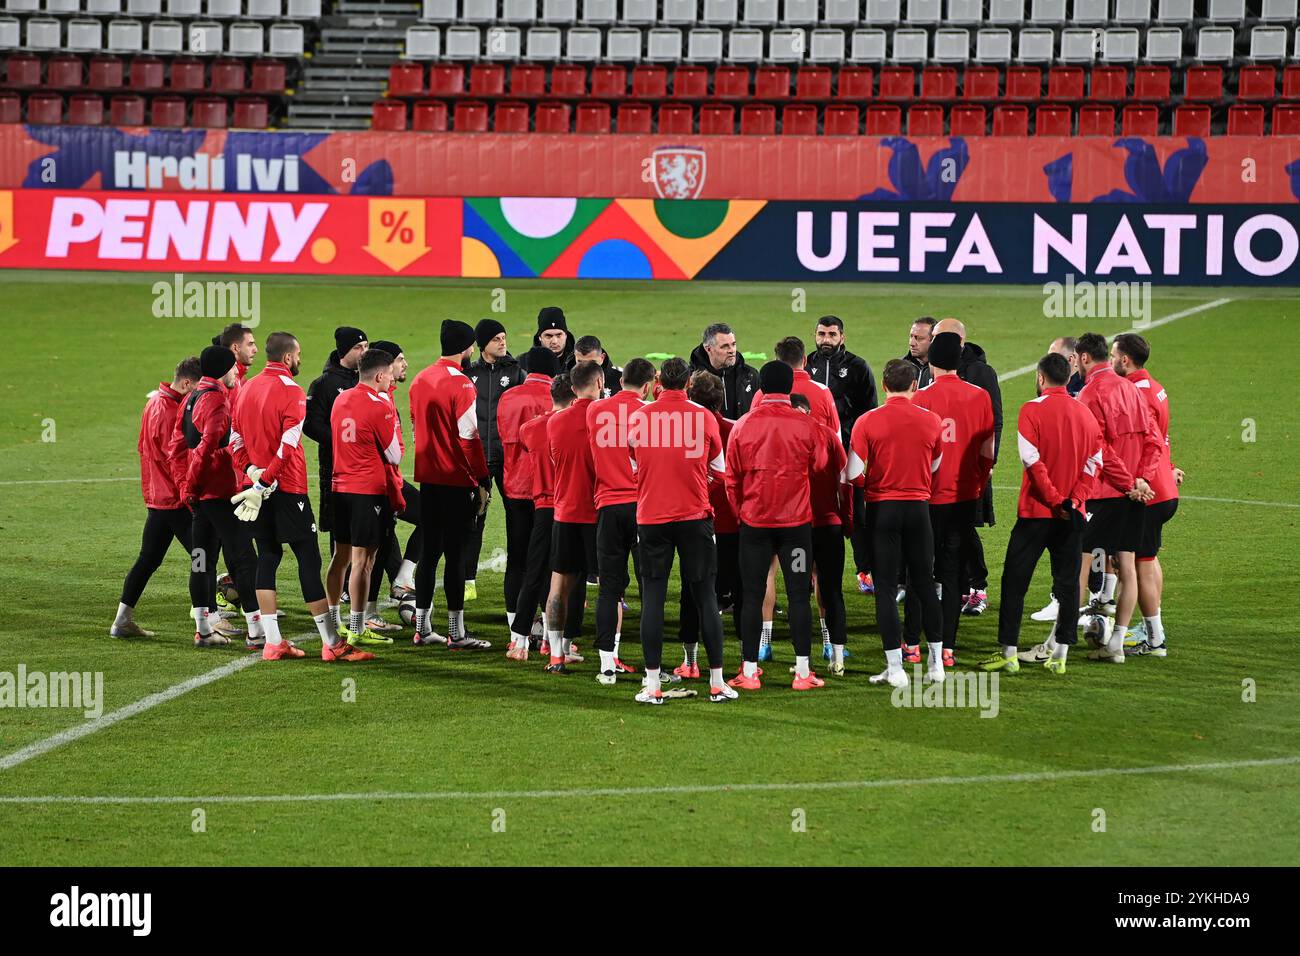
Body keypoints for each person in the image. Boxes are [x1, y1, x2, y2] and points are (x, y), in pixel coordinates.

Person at [232, 332, 362, 661]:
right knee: (309, 559)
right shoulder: (291, 390)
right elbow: (288, 444)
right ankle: (332, 643)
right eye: (299, 354)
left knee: (268, 556)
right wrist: (268, 480)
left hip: (258, 488)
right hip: (288, 488)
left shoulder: (247, 388)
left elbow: (234, 439)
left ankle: (273, 641)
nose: (301, 359)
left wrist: (252, 474)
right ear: (288, 358)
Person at [980, 353, 1105, 676]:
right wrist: (1073, 502)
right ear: (1068, 377)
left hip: (1037, 512)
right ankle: (1060, 655)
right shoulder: (1085, 413)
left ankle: (1008, 652)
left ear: (1040, 377)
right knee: (1067, 585)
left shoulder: (1031, 410)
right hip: (1073, 515)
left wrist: (1055, 501)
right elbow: (1095, 464)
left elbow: (1032, 461)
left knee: (1014, 582)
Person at [625, 357, 735, 704]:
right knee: (705, 596)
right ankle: (717, 682)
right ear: (688, 384)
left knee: (654, 600)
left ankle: (654, 684)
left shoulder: (640, 417)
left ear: (659, 381)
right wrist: (697, 479)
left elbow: (633, 464)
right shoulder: (703, 417)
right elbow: (720, 469)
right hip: (694, 516)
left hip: (652, 517)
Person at [724, 361, 825, 691]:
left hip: (755, 525)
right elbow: (820, 465)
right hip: (795, 526)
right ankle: (802, 672)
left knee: (751, 595)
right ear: (789, 388)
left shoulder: (743, 425)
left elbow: (731, 477)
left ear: (762, 388)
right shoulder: (805, 424)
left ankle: (750, 672)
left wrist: (743, 513)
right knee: (799, 595)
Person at [847, 359, 945, 687]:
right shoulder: (932, 421)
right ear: (915, 386)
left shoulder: (868, 421)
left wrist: (874, 482)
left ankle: (895, 668)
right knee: (924, 583)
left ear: (884, 385)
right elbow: (935, 464)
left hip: (882, 510)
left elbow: (852, 474)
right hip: (919, 508)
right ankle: (936, 664)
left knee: (886, 589)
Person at [902, 332, 995, 667]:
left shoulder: (920, 398)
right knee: (953, 573)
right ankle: (947, 648)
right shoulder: (981, 397)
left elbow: (912, 452)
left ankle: (912, 644)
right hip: (964, 497)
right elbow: (989, 452)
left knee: (919, 570)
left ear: (932, 362)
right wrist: (977, 484)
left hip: (926, 497)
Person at [1073, 331, 1161, 664]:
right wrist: (1143, 480)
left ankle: (1061, 640)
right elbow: (1155, 442)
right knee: (1127, 566)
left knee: (1079, 563)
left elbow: (1099, 450)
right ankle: (1116, 645)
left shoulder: (1089, 394)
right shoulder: (1134, 390)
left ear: (1083, 358)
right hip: (1134, 495)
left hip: (1104, 492)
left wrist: (1128, 483)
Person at [408, 320, 493, 651]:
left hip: (429, 480)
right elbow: (469, 436)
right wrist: (482, 478)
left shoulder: (420, 379)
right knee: (456, 556)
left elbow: (417, 427)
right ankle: (457, 633)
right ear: (467, 347)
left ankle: (422, 627)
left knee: (429, 554)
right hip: (458, 481)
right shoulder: (462, 384)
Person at [110, 356, 202, 639]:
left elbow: (142, 448)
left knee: (148, 559)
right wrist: (189, 491)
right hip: (173, 498)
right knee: (202, 558)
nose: (200, 395)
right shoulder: (168, 411)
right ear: (186, 383)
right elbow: (173, 457)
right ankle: (207, 624)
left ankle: (122, 621)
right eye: (197, 389)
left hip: (158, 498)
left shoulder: (155, 402)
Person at [178, 346, 261, 649]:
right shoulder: (216, 401)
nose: (235, 374)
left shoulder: (191, 398)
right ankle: (256, 631)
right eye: (232, 369)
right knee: (244, 559)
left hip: (201, 495)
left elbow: (181, 444)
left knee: (202, 561)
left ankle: (203, 630)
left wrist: (187, 487)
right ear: (225, 369)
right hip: (218, 494)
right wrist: (191, 485)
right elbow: (205, 449)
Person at [323, 348, 406, 649]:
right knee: (364, 561)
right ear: (381, 375)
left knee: (340, 557)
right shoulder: (380, 405)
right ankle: (357, 628)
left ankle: (333, 621)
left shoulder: (340, 399)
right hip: (367, 491)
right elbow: (394, 454)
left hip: (339, 488)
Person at [1112, 332, 1181, 657]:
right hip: (1163, 487)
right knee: (1148, 559)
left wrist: (1138, 480)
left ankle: (1154, 639)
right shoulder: (1155, 387)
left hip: (1148, 491)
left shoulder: (1133, 393)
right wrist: (1170, 468)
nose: (1111, 361)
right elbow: (1161, 440)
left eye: (1113, 356)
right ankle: (1153, 630)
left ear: (1125, 359)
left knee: (1135, 565)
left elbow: (1145, 444)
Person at [587, 357, 657, 676]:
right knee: (650, 588)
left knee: (609, 587)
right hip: (644, 509)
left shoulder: (595, 411)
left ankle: (606, 663)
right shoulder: (651, 415)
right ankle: (652, 666)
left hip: (608, 507)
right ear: (647, 386)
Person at [931, 318, 1002, 618]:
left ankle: (977, 586)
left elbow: (993, 421)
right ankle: (948, 587)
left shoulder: (981, 374)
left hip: (968, 470)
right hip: (937, 475)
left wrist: (989, 462)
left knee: (965, 531)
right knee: (947, 533)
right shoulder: (927, 371)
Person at [803, 315, 878, 595]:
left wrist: (859, 447)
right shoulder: (806, 364)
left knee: (857, 513)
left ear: (842, 337)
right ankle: (809, 573)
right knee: (813, 512)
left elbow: (869, 411)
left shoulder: (857, 367)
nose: (826, 340)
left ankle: (865, 571)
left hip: (848, 452)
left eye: (832, 335)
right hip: (812, 456)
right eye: (821, 334)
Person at [675, 371, 740, 678]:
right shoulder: (736, 430)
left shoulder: (683, 430)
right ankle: (746, 664)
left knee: (693, 592)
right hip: (733, 522)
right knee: (742, 590)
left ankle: (690, 661)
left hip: (696, 518)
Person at [505, 373, 573, 660]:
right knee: (564, 578)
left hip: (542, 508)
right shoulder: (576, 426)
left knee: (533, 574)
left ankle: (519, 642)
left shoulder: (530, 429)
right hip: (568, 508)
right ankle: (555, 644)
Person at [541, 360, 604, 673]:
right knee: (611, 587)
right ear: (599, 382)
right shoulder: (602, 419)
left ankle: (556, 656)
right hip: (596, 513)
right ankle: (611, 659)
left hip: (563, 512)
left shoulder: (555, 422)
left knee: (559, 587)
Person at [788, 392, 853, 676]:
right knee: (832, 590)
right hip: (829, 527)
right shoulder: (827, 435)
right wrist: (847, 520)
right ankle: (837, 658)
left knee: (799, 593)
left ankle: (803, 664)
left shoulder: (785, 438)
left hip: (798, 531)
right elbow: (845, 480)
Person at [496, 345, 558, 637]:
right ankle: (548, 634)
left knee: (517, 558)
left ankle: (515, 631)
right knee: (546, 561)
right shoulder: (556, 398)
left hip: (514, 488)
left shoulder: (507, 397)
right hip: (547, 490)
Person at [463, 318, 526, 600]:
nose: (503, 342)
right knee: (475, 518)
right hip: (478, 458)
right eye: (496, 339)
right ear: (482, 345)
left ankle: (520, 571)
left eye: (504, 337)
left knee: (517, 517)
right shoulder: (469, 373)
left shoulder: (515, 372)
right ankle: (468, 579)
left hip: (509, 458)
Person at [361, 340, 421, 629]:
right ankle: (399, 583)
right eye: (399, 359)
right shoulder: (378, 400)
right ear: (384, 369)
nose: (405, 364)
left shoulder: (382, 395)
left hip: (385, 481)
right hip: (382, 483)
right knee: (376, 546)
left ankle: (383, 598)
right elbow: (391, 452)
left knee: (380, 544)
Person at [304, 326, 368, 546]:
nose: (364, 352)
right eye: (358, 347)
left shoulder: (367, 378)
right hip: (336, 468)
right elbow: (311, 424)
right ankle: (342, 582)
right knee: (341, 536)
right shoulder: (324, 384)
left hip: (366, 467)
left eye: (366, 346)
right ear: (343, 352)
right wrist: (344, 442)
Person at [752, 336, 841, 436]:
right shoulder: (823, 391)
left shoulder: (762, 393)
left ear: (777, 361)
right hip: (814, 450)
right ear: (804, 360)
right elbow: (836, 436)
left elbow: (751, 432)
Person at [689, 322, 759, 419]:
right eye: (725, 346)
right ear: (708, 349)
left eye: (733, 344)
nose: (732, 350)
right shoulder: (691, 379)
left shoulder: (750, 375)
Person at [213, 323, 258, 390]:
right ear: (235, 348)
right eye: (250, 344)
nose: (256, 350)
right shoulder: (231, 382)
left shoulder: (240, 377)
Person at [902, 317, 936, 390]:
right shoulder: (901, 367)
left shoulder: (942, 369)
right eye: (911, 336)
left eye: (919, 338)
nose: (912, 343)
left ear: (933, 341)